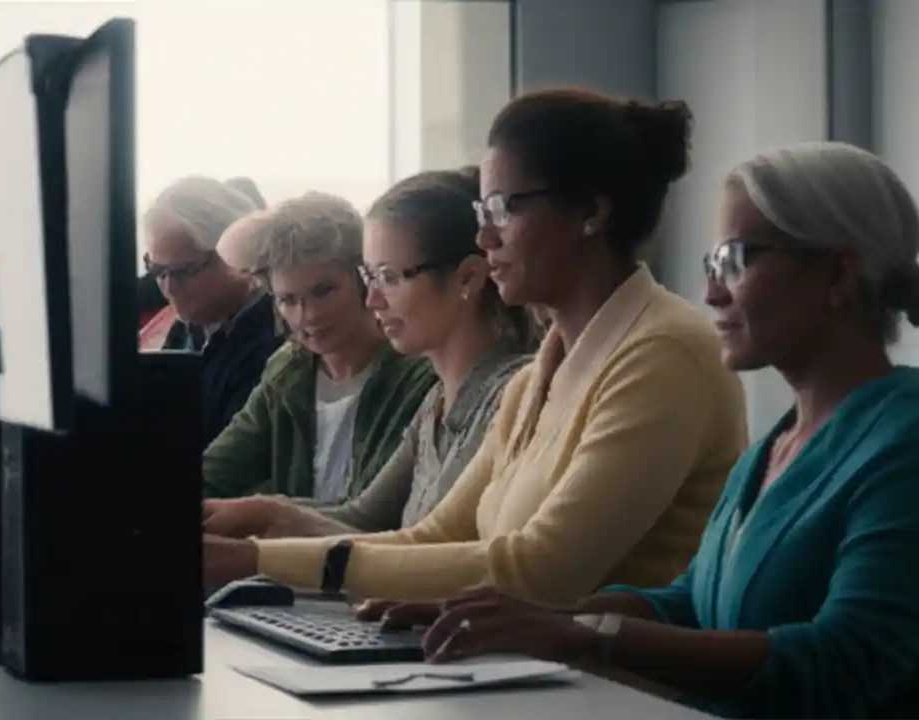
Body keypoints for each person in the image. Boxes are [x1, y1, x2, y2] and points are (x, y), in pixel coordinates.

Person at [384, 143, 919, 719]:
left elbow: (849, 661)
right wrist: (516, 618)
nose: (713, 293)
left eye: (736, 261)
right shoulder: (779, 443)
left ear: (838, 272)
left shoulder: (903, 441)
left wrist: (586, 638)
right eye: (712, 267)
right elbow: (691, 604)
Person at [204, 88, 748, 606]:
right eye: (481, 215)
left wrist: (259, 562)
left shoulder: (663, 353)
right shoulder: (538, 377)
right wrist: (258, 550)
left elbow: (540, 570)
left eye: (504, 209)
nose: (486, 240)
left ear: (590, 212)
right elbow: (434, 538)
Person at [203, 168, 538, 537]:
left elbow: (429, 548)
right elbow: (364, 518)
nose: (374, 299)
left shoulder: (502, 394)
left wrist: (257, 544)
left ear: (468, 278)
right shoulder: (438, 403)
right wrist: (261, 513)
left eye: (390, 278)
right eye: (372, 278)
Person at [204, 191, 436, 501]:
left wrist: (266, 512)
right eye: (288, 300)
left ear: (362, 278)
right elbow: (219, 471)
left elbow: (376, 512)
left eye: (324, 291)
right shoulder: (288, 368)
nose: (308, 315)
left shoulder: (416, 370)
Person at [143, 176, 282, 448]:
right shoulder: (190, 323)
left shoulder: (271, 344)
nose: (169, 287)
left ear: (233, 258)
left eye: (184, 272)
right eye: (157, 270)